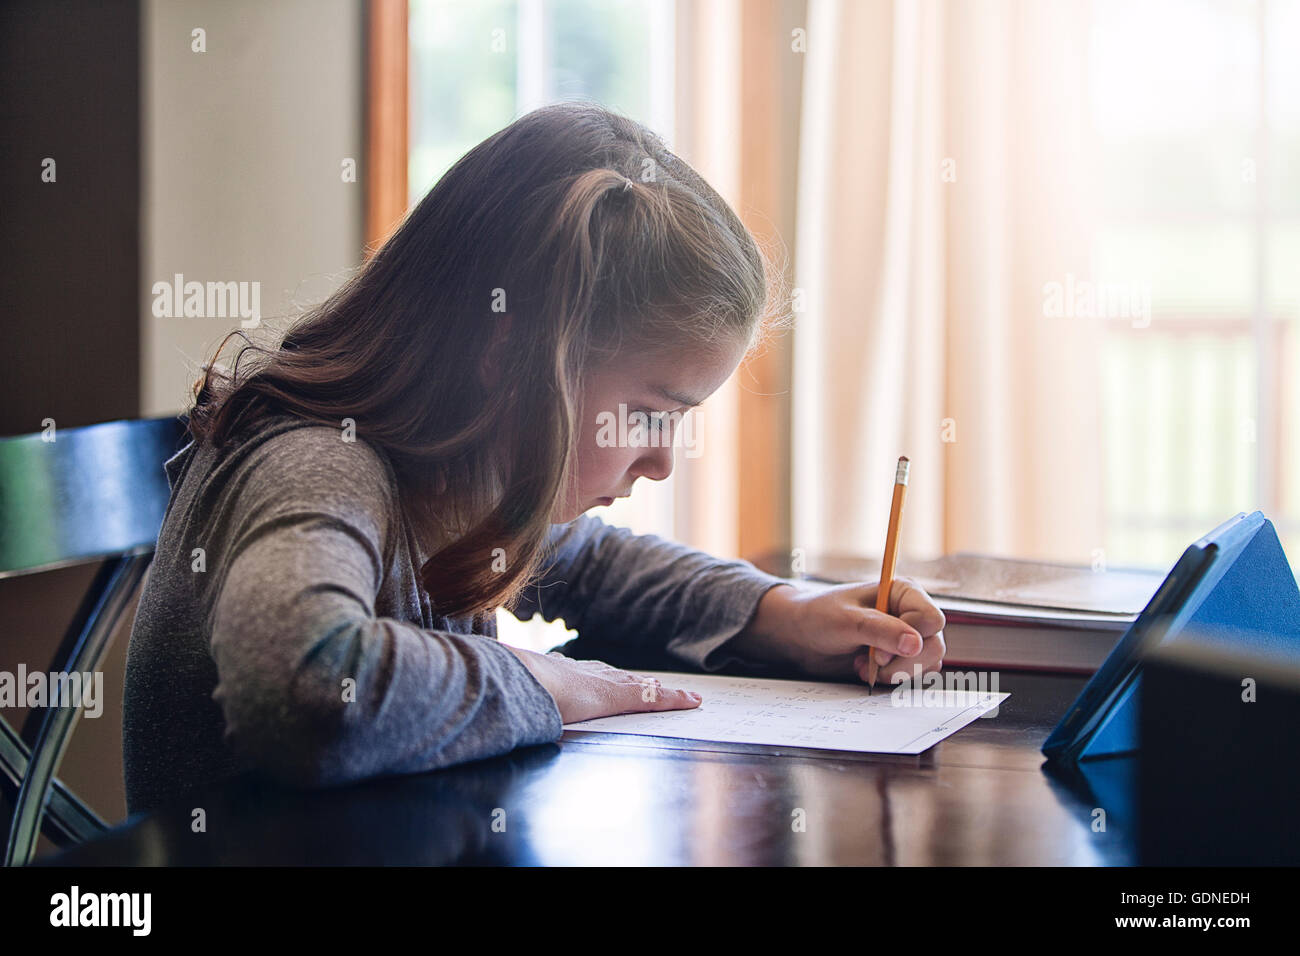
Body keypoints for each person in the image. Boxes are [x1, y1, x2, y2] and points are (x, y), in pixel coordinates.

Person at [123, 102, 946, 816]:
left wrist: (783, 618)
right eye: (648, 415)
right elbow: (302, 689)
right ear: (510, 355)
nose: (662, 463)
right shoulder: (319, 465)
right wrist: (550, 684)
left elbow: (594, 564)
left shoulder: (452, 477)